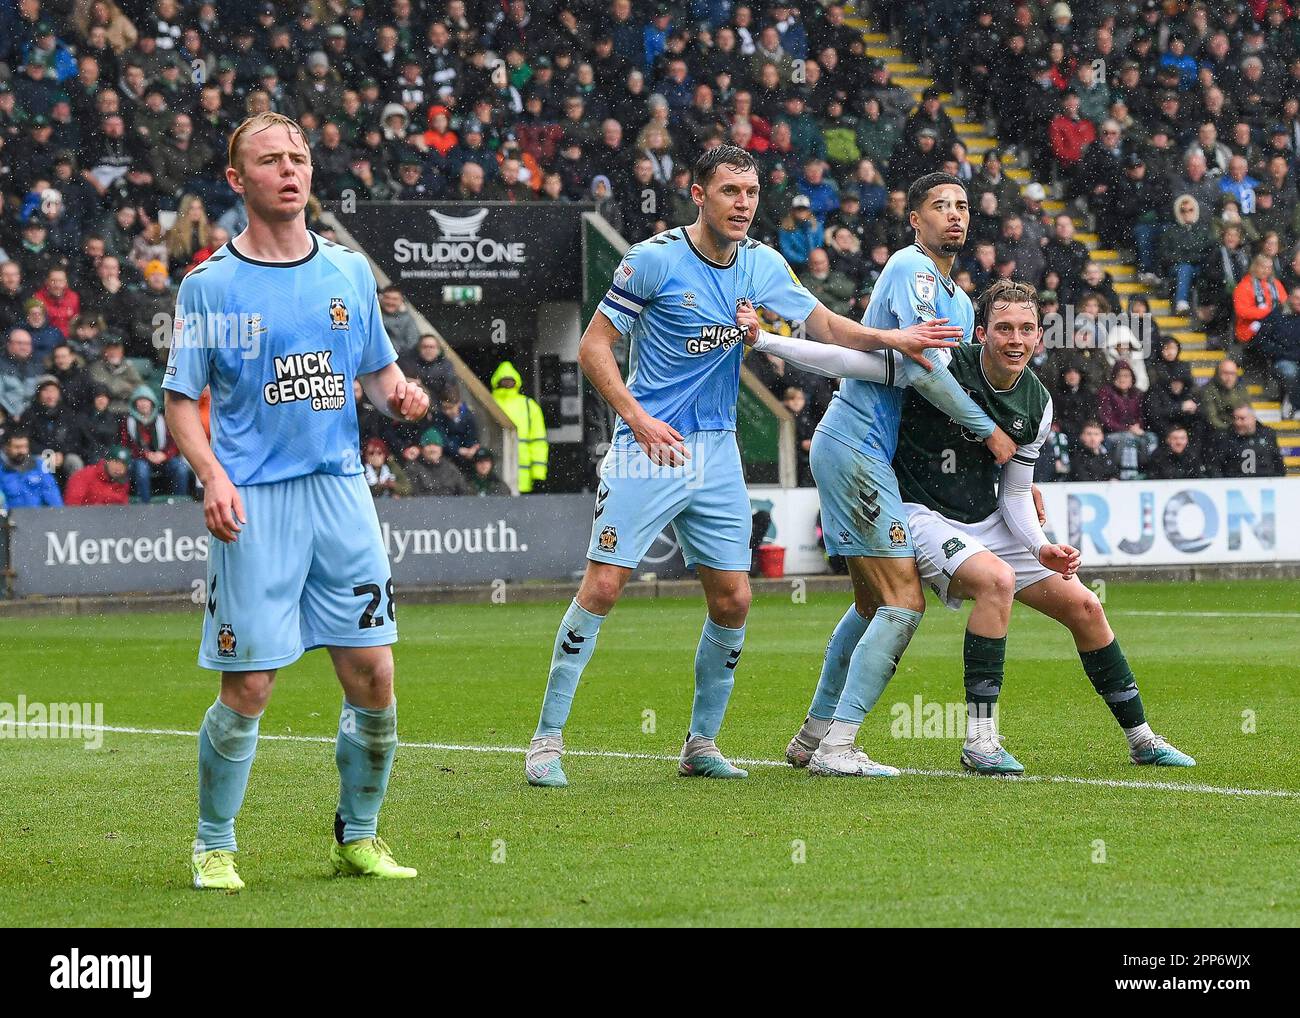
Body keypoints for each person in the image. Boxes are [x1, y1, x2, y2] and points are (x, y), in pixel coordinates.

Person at [163, 112, 430, 892]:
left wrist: (402, 397)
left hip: (341, 495)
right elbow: (182, 401)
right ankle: (214, 844)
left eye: (299, 157)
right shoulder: (209, 285)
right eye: (270, 160)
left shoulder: (347, 272)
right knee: (250, 685)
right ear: (238, 179)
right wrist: (212, 474)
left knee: (373, 674)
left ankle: (360, 834)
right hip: (257, 505)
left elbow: (377, 376)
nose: (289, 169)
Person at [890, 281, 1193, 771]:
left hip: (985, 518)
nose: (1016, 339)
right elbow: (862, 365)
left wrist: (1040, 546)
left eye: (1026, 329)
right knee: (995, 583)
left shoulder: (1039, 401)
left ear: (1039, 337)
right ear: (982, 332)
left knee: (1087, 607)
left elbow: (1014, 491)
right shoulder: (945, 364)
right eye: (1004, 328)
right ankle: (980, 741)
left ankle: (1142, 739)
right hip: (919, 513)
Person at [120, 385, 191, 500]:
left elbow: (174, 441)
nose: (143, 404)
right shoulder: (128, 421)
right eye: (140, 400)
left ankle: (179, 502)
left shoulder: (163, 419)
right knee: (141, 471)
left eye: (146, 400)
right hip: (140, 459)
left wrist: (164, 455)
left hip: (163, 457)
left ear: (152, 402)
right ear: (135, 403)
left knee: (180, 468)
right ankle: (145, 505)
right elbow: (127, 445)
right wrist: (146, 455)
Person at [491, 360, 547, 493]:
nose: (507, 383)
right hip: (495, 472)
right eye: (503, 380)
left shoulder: (529, 405)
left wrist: (538, 473)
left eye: (510, 380)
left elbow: (538, 441)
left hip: (524, 476)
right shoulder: (490, 401)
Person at [1212, 404, 1285, 478]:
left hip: (1266, 483)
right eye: (1235, 418)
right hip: (1235, 484)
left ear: (1252, 418)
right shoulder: (1226, 438)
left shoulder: (1267, 435)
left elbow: (1278, 462)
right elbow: (1216, 466)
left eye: (1242, 418)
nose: (1238, 422)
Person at [0, 430, 63, 507]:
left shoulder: (39, 466)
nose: (22, 451)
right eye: (17, 447)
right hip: (12, 517)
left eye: (25, 446)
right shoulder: (2, 470)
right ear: (7, 448)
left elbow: (52, 493)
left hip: (38, 516)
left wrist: (59, 514)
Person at [404, 427, 471, 495]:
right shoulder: (413, 468)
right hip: (424, 504)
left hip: (449, 504)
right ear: (421, 448)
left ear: (441, 448)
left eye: (436, 445)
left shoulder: (450, 468)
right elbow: (412, 493)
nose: (433, 449)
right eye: (428, 445)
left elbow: (464, 492)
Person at [63, 444, 132, 505]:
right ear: (107, 461)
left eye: (123, 464)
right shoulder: (84, 475)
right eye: (116, 462)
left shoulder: (123, 482)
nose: (118, 467)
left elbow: (122, 510)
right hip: (85, 517)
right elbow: (72, 505)